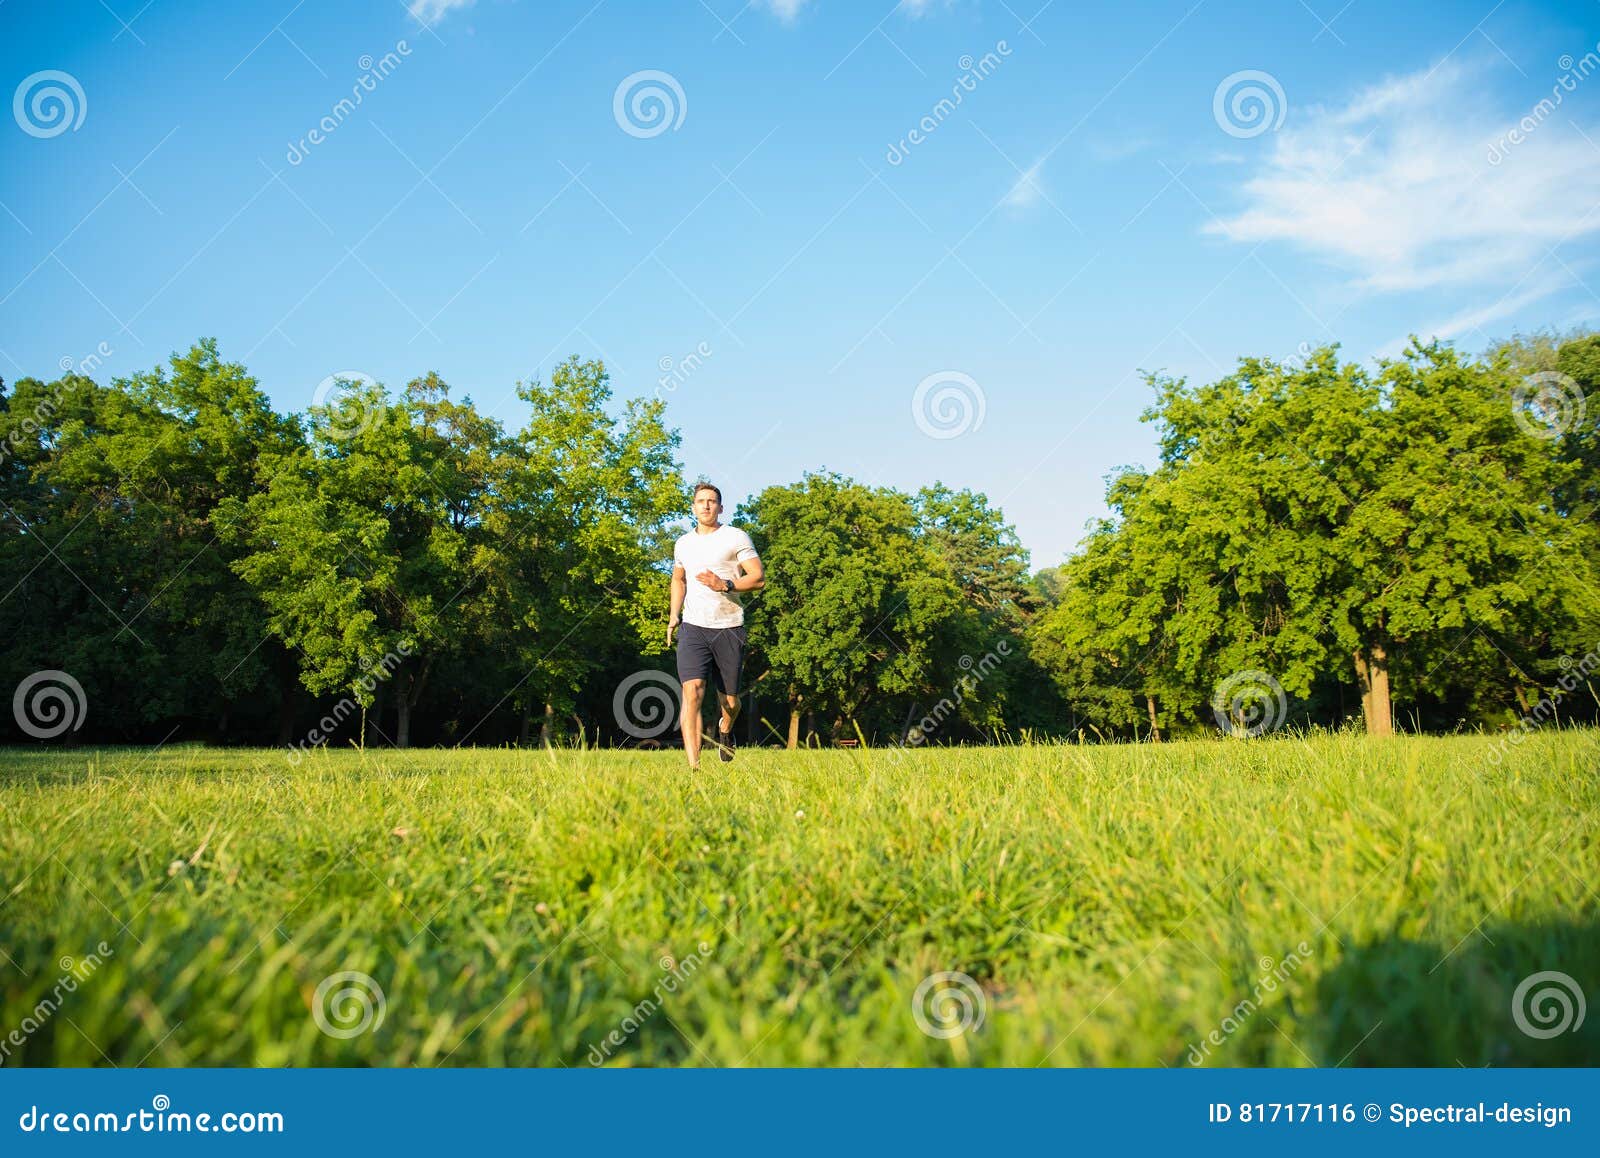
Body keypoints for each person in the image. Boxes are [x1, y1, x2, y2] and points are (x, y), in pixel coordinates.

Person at [668, 481, 765, 769]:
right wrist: (674, 615)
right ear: (693, 507)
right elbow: (678, 578)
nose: (706, 505)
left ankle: (725, 730)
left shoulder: (736, 537)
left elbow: (758, 578)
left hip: (728, 626)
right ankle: (694, 767)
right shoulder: (683, 543)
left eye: (712, 501)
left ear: (721, 508)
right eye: (701, 501)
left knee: (731, 703)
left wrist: (725, 584)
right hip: (693, 627)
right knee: (692, 691)